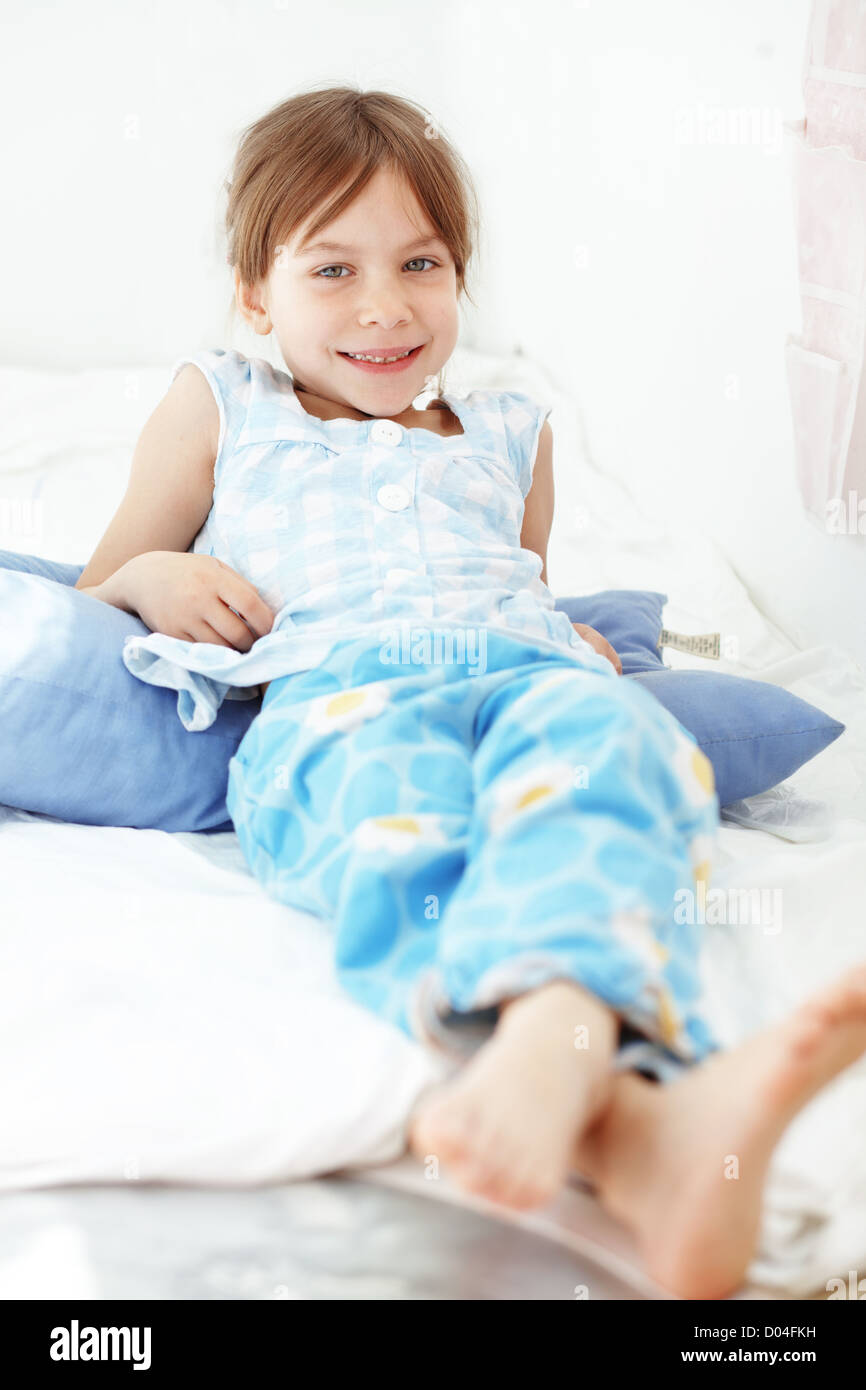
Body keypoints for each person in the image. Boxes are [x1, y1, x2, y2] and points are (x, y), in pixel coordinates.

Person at [76, 86, 866, 1300]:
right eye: (330, 270)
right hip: (339, 698)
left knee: (617, 756)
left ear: (460, 274)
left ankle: (577, 1057)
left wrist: (571, 649)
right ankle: (610, 1094)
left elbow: (523, 580)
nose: (385, 305)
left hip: (520, 675)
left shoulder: (510, 428)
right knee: (402, 828)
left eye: (421, 262)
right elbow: (97, 582)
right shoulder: (222, 404)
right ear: (253, 294)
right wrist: (154, 575)